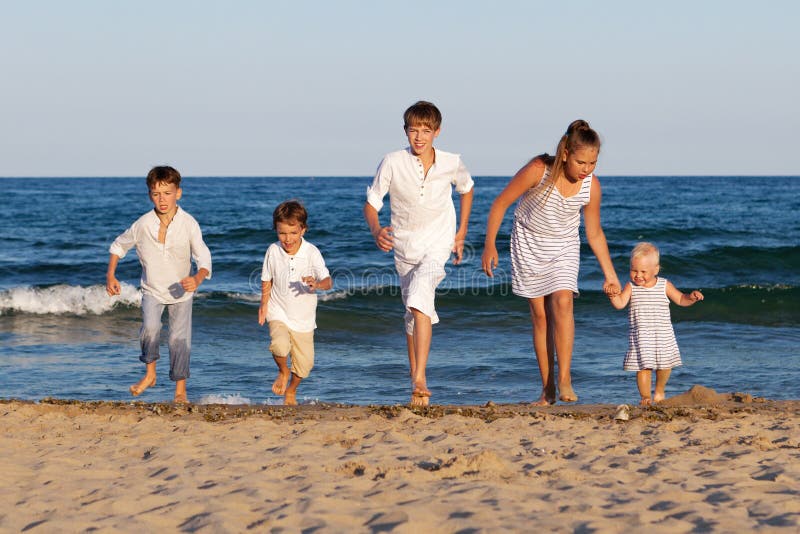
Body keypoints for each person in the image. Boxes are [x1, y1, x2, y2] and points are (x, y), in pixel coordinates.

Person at [481, 119, 620, 405]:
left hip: (564, 245)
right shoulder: (538, 171)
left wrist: (610, 274)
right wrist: (489, 245)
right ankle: (547, 391)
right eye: (582, 162)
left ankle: (565, 378)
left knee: (563, 301)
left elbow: (594, 232)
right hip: (529, 243)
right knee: (540, 317)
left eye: (592, 163)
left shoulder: (591, 187)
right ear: (566, 153)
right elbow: (500, 204)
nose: (587, 169)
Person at [364, 100, 474, 406]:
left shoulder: (452, 162)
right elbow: (372, 203)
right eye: (414, 130)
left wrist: (461, 232)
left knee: (420, 298)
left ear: (437, 131)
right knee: (412, 312)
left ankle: (421, 377)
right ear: (405, 131)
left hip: (437, 244)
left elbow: (466, 189)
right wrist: (376, 231)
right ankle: (415, 385)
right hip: (404, 247)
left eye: (426, 130)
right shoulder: (392, 161)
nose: (419, 137)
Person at [106, 166, 212, 404]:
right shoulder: (143, 224)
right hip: (152, 290)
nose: (162, 199)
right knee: (151, 329)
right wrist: (111, 276)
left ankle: (180, 391)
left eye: (167, 193)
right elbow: (118, 246)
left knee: (179, 340)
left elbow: (204, 257)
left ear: (178, 193)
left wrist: (197, 278)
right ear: (150, 195)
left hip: (182, 294)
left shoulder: (189, 223)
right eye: (156, 194)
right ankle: (150, 374)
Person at [607, 242, 703, 405]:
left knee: (665, 365)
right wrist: (612, 295)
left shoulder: (664, 285)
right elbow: (620, 304)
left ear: (655, 270)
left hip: (663, 334)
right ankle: (645, 396)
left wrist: (691, 298)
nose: (638, 275)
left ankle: (659, 390)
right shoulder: (631, 287)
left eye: (643, 271)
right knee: (643, 367)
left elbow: (680, 299)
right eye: (634, 270)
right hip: (641, 336)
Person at [258, 200, 331, 406]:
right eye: (282, 233)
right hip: (278, 310)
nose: (287, 239)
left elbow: (328, 281)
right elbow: (266, 278)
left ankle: (291, 389)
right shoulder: (273, 250)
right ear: (276, 231)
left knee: (305, 366)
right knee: (280, 346)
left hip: (304, 318)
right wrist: (264, 304)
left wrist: (316, 284)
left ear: (303, 230)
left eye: (292, 233)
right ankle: (283, 371)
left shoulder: (311, 252)